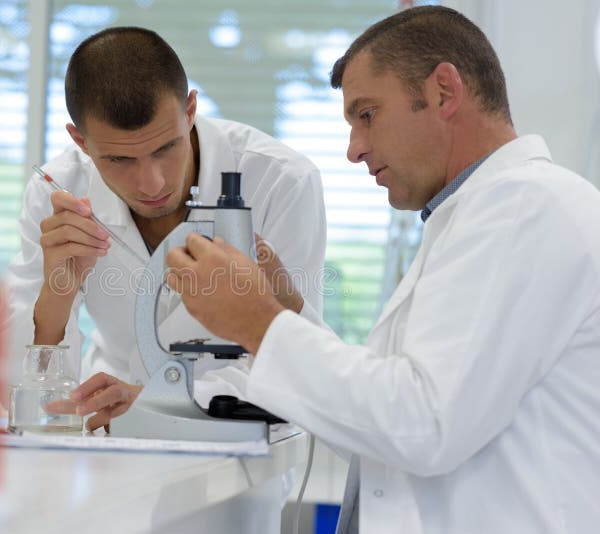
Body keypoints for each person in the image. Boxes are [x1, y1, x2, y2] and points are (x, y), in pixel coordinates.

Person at [165, 6, 600, 533]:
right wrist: (288, 312)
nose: (354, 150)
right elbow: (386, 403)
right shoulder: (475, 215)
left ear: (444, 91)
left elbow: (423, 425)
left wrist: (256, 322)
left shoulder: (524, 206)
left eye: (366, 114)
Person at [5, 27, 326, 431]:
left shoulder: (279, 181)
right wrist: (58, 292)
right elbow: (24, 397)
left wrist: (160, 400)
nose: (151, 183)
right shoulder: (59, 192)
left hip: (239, 453)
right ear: (80, 141)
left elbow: (298, 361)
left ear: (190, 110)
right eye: (119, 160)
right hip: (110, 442)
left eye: (165, 148)